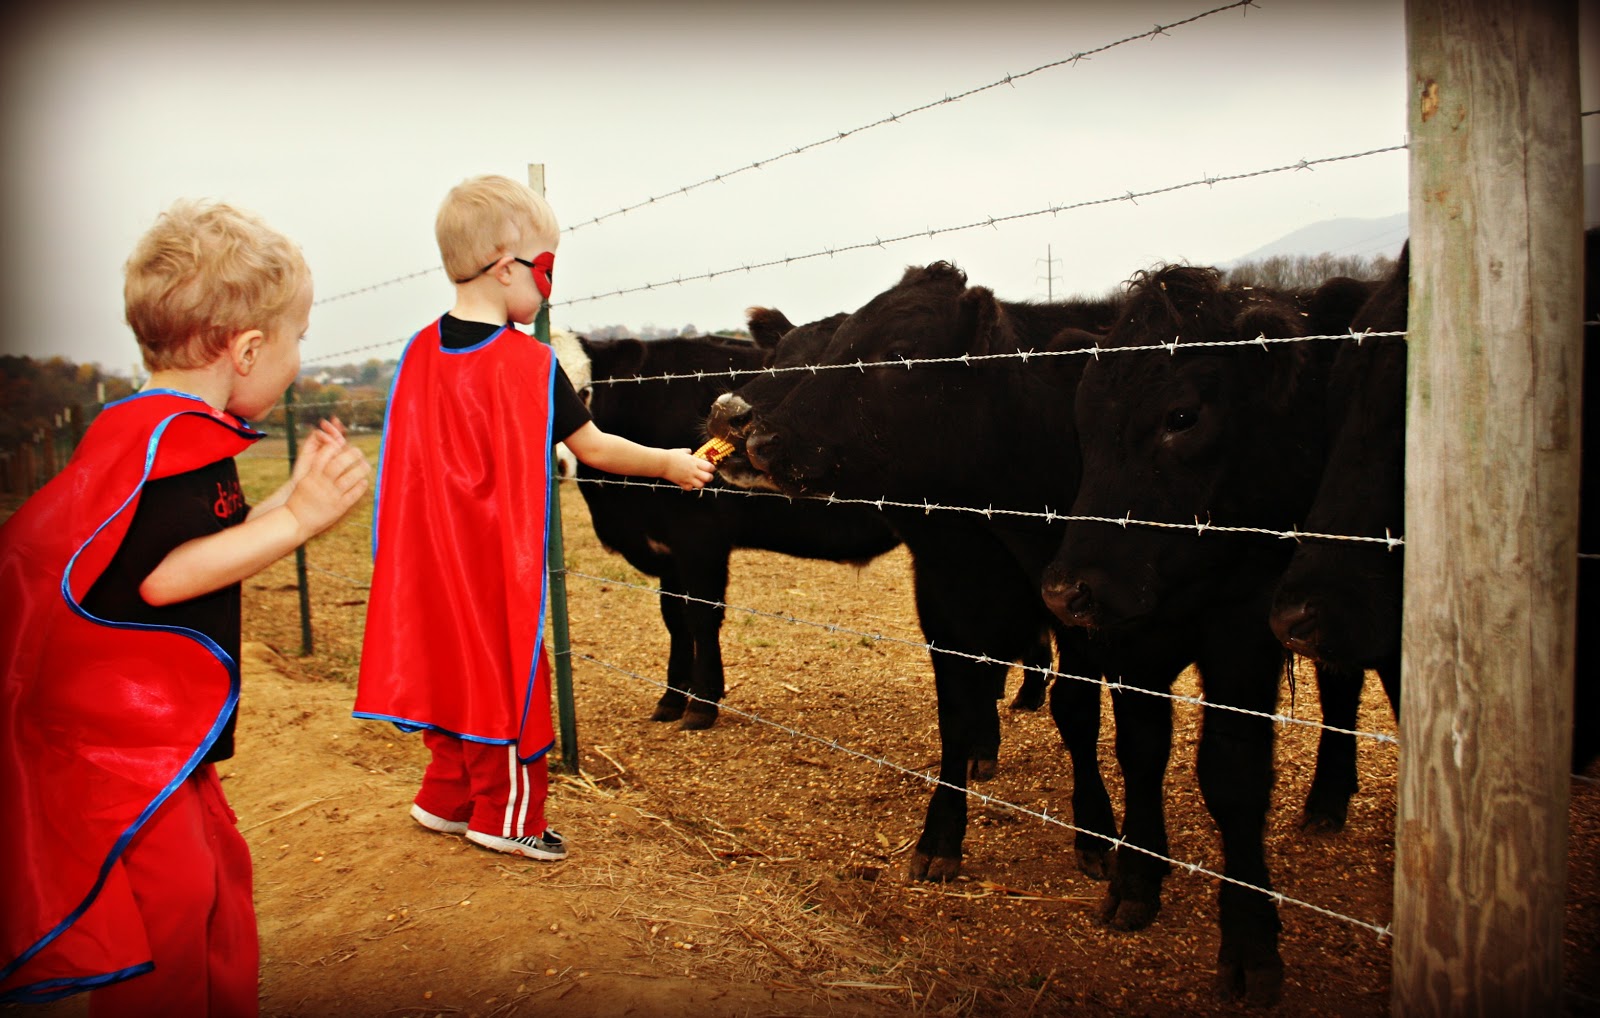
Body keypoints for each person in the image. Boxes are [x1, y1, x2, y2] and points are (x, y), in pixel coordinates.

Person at [0, 200, 372, 1012]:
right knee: (172, 899)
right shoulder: (175, 442)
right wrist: (300, 520)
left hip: (159, 737)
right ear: (247, 349)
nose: (300, 361)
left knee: (214, 879)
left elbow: (194, 547)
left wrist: (291, 501)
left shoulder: (162, 430)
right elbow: (165, 579)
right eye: (298, 338)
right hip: (129, 747)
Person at [355, 174, 713, 861]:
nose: (549, 288)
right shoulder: (530, 364)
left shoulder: (418, 351)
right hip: (490, 566)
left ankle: (446, 796)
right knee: (509, 679)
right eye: (546, 269)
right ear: (505, 267)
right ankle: (506, 814)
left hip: (425, 562)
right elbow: (595, 448)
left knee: (449, 666)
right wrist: (669, 463)